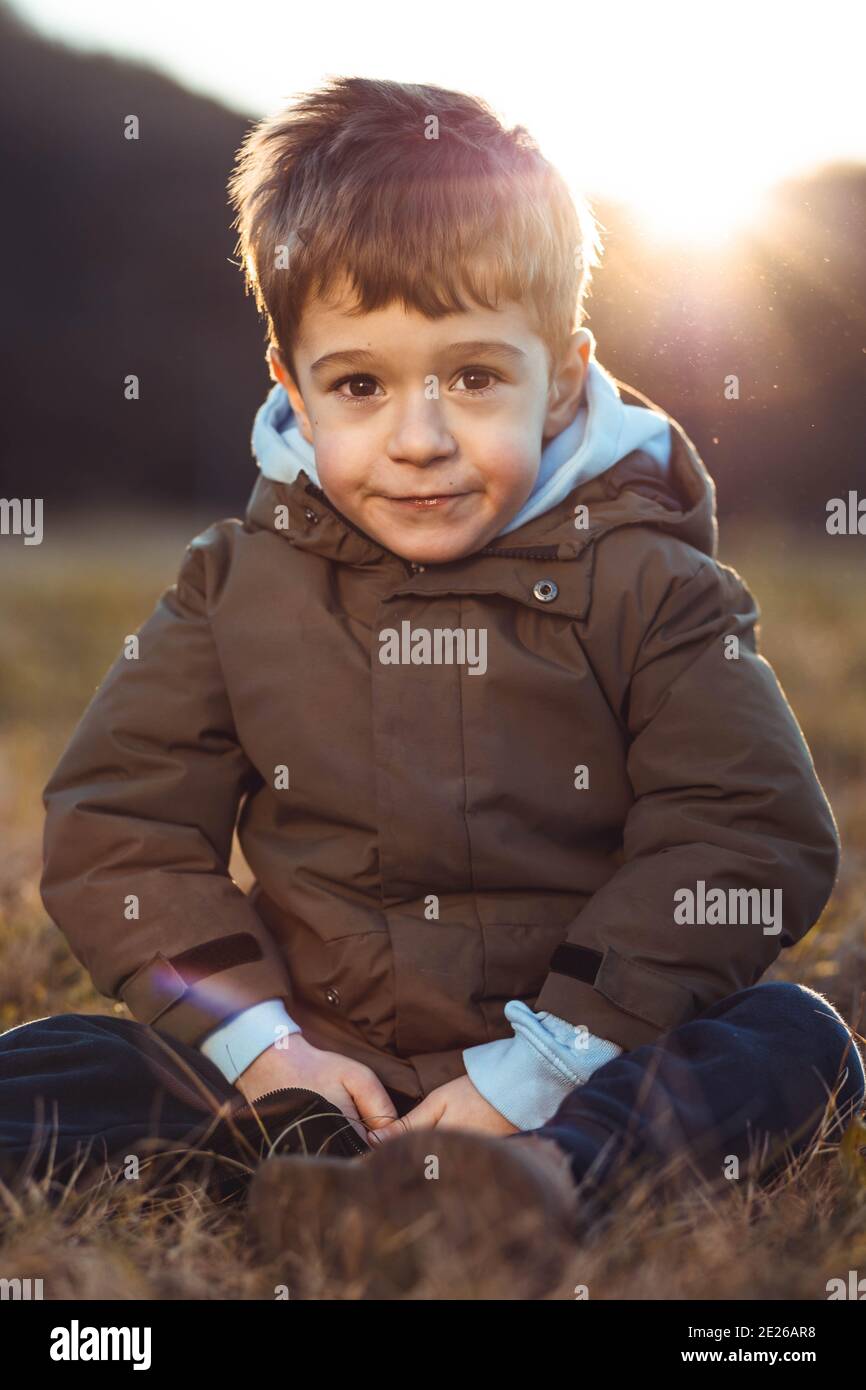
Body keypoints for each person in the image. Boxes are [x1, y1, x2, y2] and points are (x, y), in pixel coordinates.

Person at [9, 78, 863, 1237]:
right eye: (359, 384)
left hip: (581, 1068)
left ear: (558, 377)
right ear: (296, 395)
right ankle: (304, 1166)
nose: (417, 440)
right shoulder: (235, 586)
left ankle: (533, 1188)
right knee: (70, 1062)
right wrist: (267, 1049)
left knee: (792, 1043)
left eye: (471, 377)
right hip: (311, 1072)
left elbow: (742, 833)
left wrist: (538, 1070)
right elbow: (123, 825)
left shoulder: (655, 586)